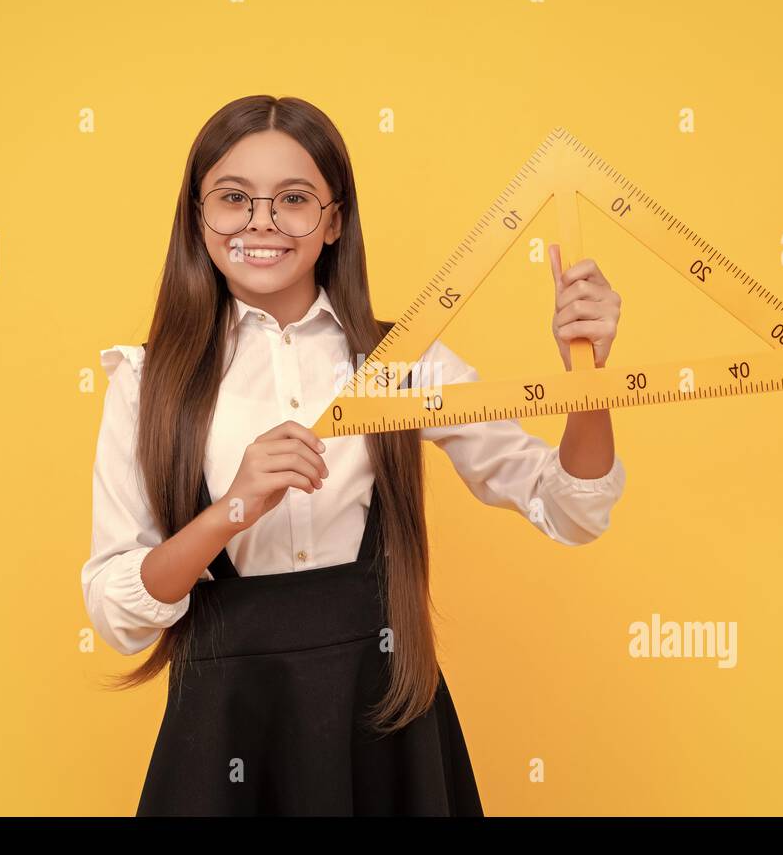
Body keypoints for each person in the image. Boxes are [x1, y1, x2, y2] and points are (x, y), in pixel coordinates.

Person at [80, 94, 627, 815]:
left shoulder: (403, 362)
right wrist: (232, 508)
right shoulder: (148, 383)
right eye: (234, 198)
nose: (262, 222)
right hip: (226, 733)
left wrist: (587, 374)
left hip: (385, 727)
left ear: (334, 220)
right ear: (197, 215)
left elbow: (567, 507)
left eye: (295, 199)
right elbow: (117, 614)